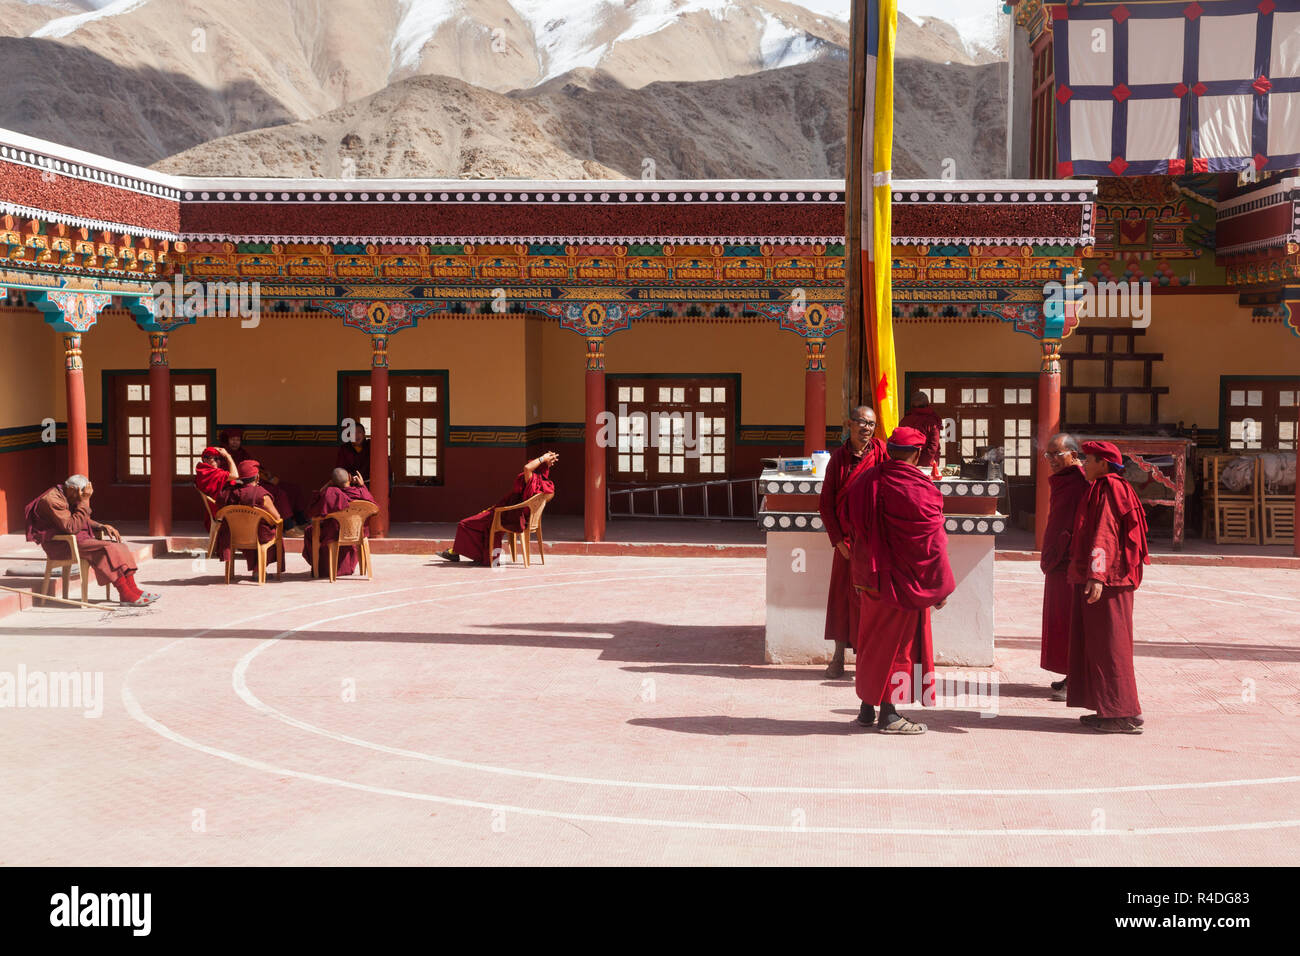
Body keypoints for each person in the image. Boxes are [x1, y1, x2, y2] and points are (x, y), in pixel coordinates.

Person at [847, 426, 954, 734]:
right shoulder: (919, 487)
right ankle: (889, 715)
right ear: (918, 454)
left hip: (869, 576)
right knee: (897, 648)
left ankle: (867, 709)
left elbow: (852, 524)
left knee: (870, 642)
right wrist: (939, 584)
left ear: (889, 450)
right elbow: (931, 542)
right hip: (902, 580)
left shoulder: (865, 480)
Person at [1066, 440, 1149, 734]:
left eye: (1088, 460)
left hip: (1109, 580)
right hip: (1109, 578)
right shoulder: (1105, 486)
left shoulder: (1109, 488)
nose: (1083, 464)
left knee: (1111, 646)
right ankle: (1108, 708)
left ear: (1103, 463)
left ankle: (1121, 713)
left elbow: (1106, 533)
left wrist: (1097, 575)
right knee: (1099, 645)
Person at [818, 405, 887, 679]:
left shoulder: (882, 453)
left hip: (871, 543)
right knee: (840, 600)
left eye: (871, 424)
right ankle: (837, 657)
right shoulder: (839, 458)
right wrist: (837, 541)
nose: (867, 428)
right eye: (862, 422)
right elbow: (825, 503)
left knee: (868, 601)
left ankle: (865, 659)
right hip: (846, 545)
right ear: (850, 424)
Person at [24, 475, 159, 606]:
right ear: (72, 488)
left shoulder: (68, 495)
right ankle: (125, 594)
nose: (80, 499)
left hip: (77, 540)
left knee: (120, 546)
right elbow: (71, 527)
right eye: (81, 494)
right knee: (107, 549)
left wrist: (101, 526)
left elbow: (80, 519)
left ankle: (133, 589)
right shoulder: (53, 500)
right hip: (61, 543)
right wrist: (84, 502)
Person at [438, 452, 557, 566]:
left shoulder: (532, 479)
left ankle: (465, 554)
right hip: (519, 516)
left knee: (464, 524)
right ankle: (462, 552)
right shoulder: (547, 487)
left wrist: (543, 457)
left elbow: (527, 467)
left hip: (507, 515)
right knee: (483, 524)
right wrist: (546, 462)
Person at [1039, 433, 1088, 701]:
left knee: (1072, 621)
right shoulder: (1064, 481)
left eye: (1057, 455)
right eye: (1048, 455)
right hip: (1058, 558)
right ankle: (1070, 674)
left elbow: (1078, 523)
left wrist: (1064, 552)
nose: (1052, 461)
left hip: (1070, 560)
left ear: (1073, 455)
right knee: (1061, 619)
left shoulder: (1080, 482)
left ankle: (1077, 680)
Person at [219, 427, 309, 534]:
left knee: (293, 489)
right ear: (227, 440)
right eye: (232, 440)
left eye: (238, 440)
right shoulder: (223, 455)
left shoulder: (242, 452)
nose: (236, 443)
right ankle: (288, 526)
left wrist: (267, 474)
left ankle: (301, 521)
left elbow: (256, 466)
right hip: (243, 485)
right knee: (280, 493)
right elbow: (228, 477)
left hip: (257, 480)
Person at [302, 467, 377, 578]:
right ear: (350, 478)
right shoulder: (360, 492)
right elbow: (374, 508)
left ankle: (320, 569)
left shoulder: (330, 494)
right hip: (356, 532)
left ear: (332, 482)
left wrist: (327, 485)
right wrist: (362, 486)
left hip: (334, 534)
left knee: (310, 531)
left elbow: (313, 512)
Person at [214, 460, 285, 574]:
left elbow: (219, 511)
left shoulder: (227, 493)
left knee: (256, 529)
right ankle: (259, 571)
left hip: (234, 535)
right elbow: (277, 518)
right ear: (257, 478)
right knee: (271, 531)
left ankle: (243, 572)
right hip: (257, 537)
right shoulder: (262, 495)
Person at [896, 389, 943, 479]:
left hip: (907, 461)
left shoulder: (905, 419)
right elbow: (933, 445)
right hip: (927, 464)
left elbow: (899, 442)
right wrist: (924, 464)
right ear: (927, 403)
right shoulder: (932, 420)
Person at [194, 445, 239, 530]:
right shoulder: (210, 472)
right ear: (205, 459)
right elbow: (235, 476)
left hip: (215, 507)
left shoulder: (202, 471)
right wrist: (228, 456)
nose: (218, 462)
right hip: (219, 509)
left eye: (219, 459)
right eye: (215, 459)